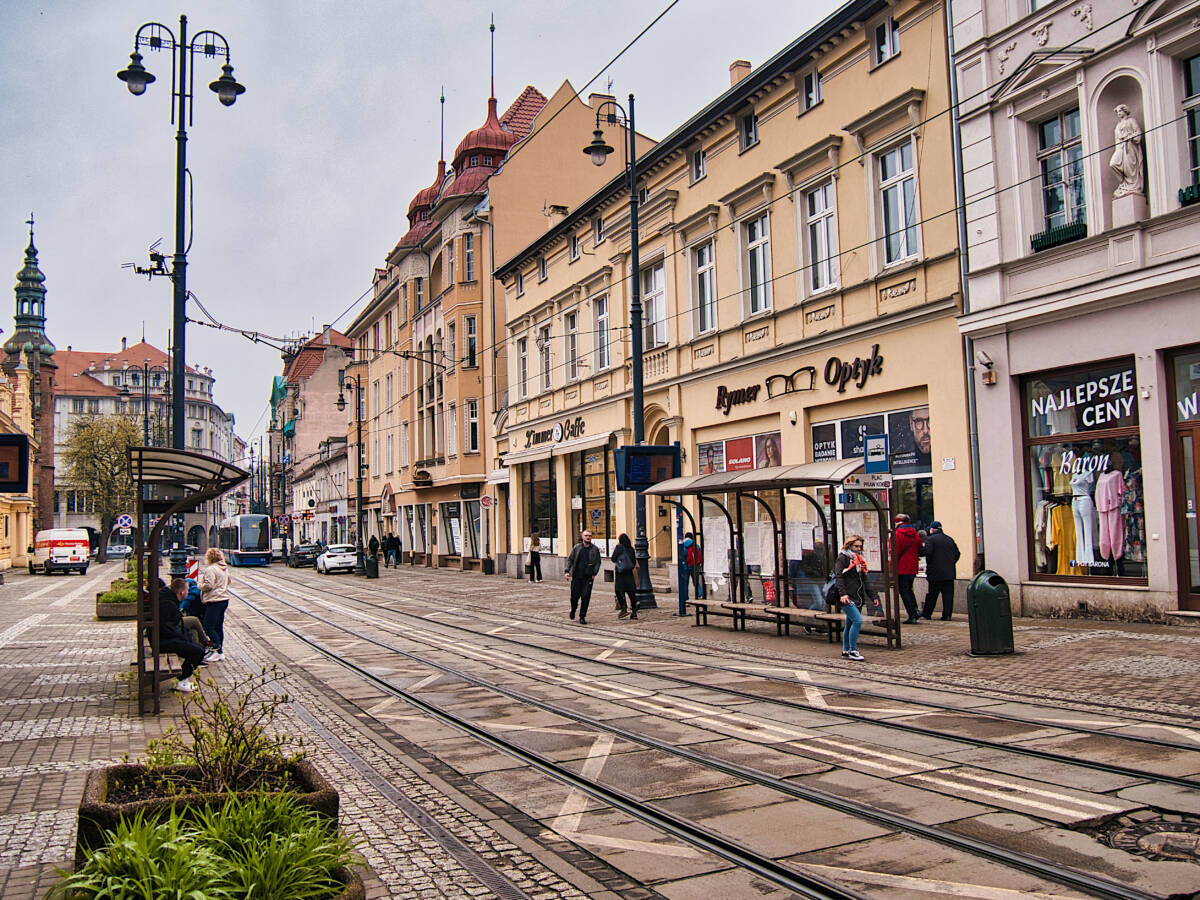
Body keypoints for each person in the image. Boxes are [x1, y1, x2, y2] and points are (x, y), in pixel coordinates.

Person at [151, 578, 205, 692]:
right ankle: (181, 680)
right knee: (198, 651)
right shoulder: (168, 605)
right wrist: (183, 639)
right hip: (162, 641)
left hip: (161, 638)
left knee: (196, 648)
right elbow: (168, 628)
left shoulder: (168, 600)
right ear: (182, 592)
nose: (188, 592)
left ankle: (183, 679)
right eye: (187, 590)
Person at [834, 535, 872, 661]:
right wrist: (842, 594)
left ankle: (846, 650)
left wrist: (873, 596)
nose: (858, 549)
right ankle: (853, 650)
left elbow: (864, 579)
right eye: (856, 546)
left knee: (850, 623)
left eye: (860, 546)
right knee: (857, 621)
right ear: (849, 546)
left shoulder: (859, 560)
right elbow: (838, 576)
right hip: (846, 596)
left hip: (857, 596)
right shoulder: (843, 558)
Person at [920, 521, 961, 621]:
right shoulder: (949, 539)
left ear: (932, 529)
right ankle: (947, 615)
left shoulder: (930, 540)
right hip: (949, 573)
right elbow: (957, 553)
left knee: (932, 595)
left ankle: (927, 613)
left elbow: (927, 552)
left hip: (935, 573)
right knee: (948, 595)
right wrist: (950, 563)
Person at [199, 547, 231, 662]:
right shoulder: (224, 568)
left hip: (214, 600)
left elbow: (209, 585)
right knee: (218, 627)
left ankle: (217, 650)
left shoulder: (211, 569)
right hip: (224, 599)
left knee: (208, 626)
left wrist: (200, 585)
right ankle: (219, 652)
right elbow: (229, 581)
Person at [564, 529, 602, 625]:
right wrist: (567, 571)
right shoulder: (577, 548)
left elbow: (598, 562)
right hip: (577, 576)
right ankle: (573, 609)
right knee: (574, 597)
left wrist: (594, 573)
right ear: (582, 537)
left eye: (589, 535)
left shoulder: (594, 549)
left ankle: (582, 616)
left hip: (588, 577)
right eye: (586, 535)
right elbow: (570, 559)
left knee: (585, 597)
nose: (588, 537)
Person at [892, 514, 924, 624]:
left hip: (901, 568)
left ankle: (912, 615)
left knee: (904, 591)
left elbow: (894, 553)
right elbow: (920, 547)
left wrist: (892, 568)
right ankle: (915, 610)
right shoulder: (915, 534)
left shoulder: (896, 534)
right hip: (912, 567)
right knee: (909, 590)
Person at [1109, 105, 1143, 198]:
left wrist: (1130, 137)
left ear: (1125, 111)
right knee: (1113, 164)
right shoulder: (1118, 125)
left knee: (1130, 167)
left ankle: (1132, 186)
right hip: (1120, 148)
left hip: (1130, 147)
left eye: (1120, 111)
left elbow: (1138, 133)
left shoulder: (1131, 121)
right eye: (1118, 112)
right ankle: (1124, 183)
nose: (1119, 113)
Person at [170, 577, 209, 650]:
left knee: (193, 630)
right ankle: (204, 644)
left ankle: (198, 649)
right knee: (194, 621)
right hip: (171, 626)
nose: (188, 592)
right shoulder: (170, 602)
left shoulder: (191, 593)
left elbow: (184, 605)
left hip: (184, 617)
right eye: (187, 590)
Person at [610, 533, 638, 620]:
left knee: (619, 591)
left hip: (620, 573)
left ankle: (624, 608)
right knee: (631, 592)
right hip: (629, 573)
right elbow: (633, 562)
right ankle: (634, 611)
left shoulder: (619, 548)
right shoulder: (631, 549)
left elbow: (613, 558)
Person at [681, 532, 704, 600]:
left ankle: (686, 599)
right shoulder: (696, 545)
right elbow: (699, 555)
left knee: (685, 584)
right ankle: (700, 595)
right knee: (696, 582)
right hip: (695, 566)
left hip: (685, 567)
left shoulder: (682, 545)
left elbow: (681, 556)